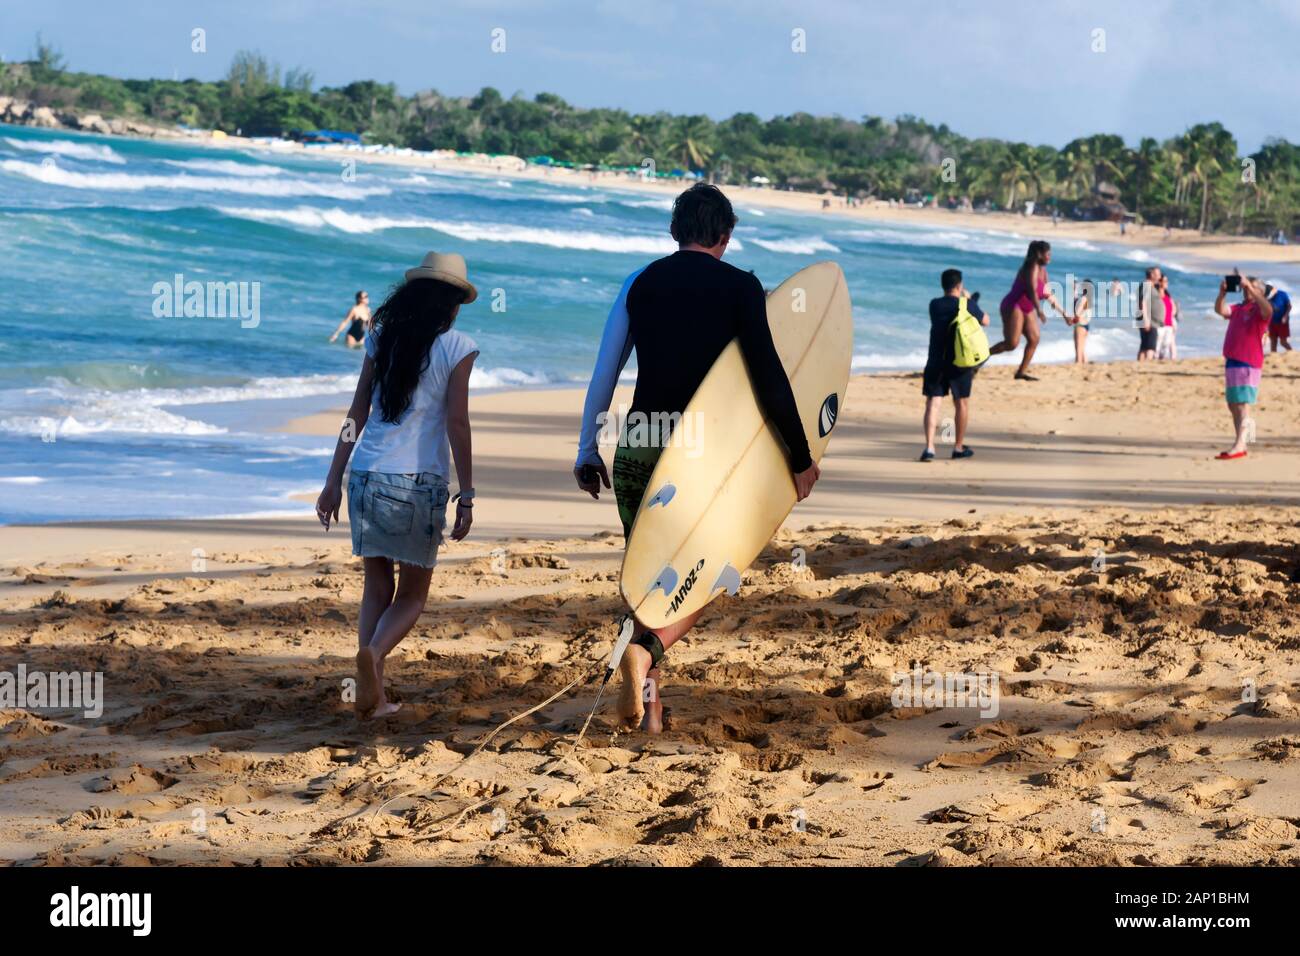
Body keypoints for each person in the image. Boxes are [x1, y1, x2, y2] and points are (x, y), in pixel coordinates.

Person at [573, 183, 818, 734]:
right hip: (698, 454)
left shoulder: (641, 282)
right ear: (726, 237)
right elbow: (769, 376)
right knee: (704, 577)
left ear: (673, 231)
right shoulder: (741, 288)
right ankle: (647, 652)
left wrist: (588, 448)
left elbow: (604, 373)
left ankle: (652, 714)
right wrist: (800, 456)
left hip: (639, 444)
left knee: (649, 577)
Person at [314, 253, 479, 718]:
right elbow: (458, 423)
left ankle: (374, 693)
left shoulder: (381, 337)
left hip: (364, 476)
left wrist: (332, 481)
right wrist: (466, 493)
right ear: (452, 303)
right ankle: (374, 655)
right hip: (416, 483)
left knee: (376, 588)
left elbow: (356, 414)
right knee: (411, 595)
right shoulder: (458, 347)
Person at [920, 269, 988, 461]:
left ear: (943, 286)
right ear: (959, 285)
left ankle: (929, 448)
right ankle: (957, 447)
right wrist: (969, 299)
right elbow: (986, 321)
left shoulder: (934, 305)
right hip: (961, 362)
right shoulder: (966, 304)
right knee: (961, 404)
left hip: (936, 361)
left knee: (933, 404)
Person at [1213, 272, 1273, 460]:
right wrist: (1222, 293)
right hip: (1232, 360)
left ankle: (1240, 444)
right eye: (1246, 287)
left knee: (1242, 404)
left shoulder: (1260, 311)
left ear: (1260, 292)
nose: (1247, 289)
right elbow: (1220, 311)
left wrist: (1252, 289)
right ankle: (1244, 441)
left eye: (1252, 287)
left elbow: (1268, 310)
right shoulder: (1239, 308)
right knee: (1233, 404)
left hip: (1248, 362)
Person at [988, 240, 1063, 381]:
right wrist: (1039, 310)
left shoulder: (1043, 271)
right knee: (1012, 344)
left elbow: (1048, 294)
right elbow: (1032, 291)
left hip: (1028, 307)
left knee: (1034, 339)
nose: (1049, 257)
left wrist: (1064, 314)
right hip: (1013, 305)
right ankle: (982, 356)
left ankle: (1020, 373)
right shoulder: (1031, 268)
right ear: (1039, 254)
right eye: (1047, 254)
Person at [1135, 266, 1163, 361]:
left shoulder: (1151, 286)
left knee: (1144, 345)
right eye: (1158, 274)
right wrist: (1146, 320)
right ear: (1152, 275)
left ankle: (1141, 364)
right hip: (1149, 321)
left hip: (1150, 320)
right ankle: (1147, 364)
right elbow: (1142, 302)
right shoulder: (1146, 285)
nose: (1160, 276)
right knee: (1150, 346)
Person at [1068, 278, 1093, 364]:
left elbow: (1077, 314)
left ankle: (1078, 365)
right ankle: (1084, 366)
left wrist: (1070, 320)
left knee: (1078, 350)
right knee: (1082, 349)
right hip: (1086, 325)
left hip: (1080, 325)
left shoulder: (1083, 299)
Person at [1156, 274, 1179, 360]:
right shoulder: (1156, 295)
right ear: (1159, 282)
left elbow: (1173, 310)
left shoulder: (1167, 296)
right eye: (1165, 281)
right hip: (1159, 325)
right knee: (1157, 347)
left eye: (1167, 281)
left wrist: (1173, 322)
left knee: (1165, 347)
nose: (1167, 283)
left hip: (1169, 324)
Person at [1266, 283, 1292, 352]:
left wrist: (1285, 316)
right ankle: (1273, 358)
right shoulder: (1267, 296)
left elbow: (1289, 306)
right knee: (1273, 342)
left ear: (1273, 290)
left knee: (1283, 342)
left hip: (1282, 322)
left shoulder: (1282, 294)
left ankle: (1292, 353)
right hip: (1271, 322)